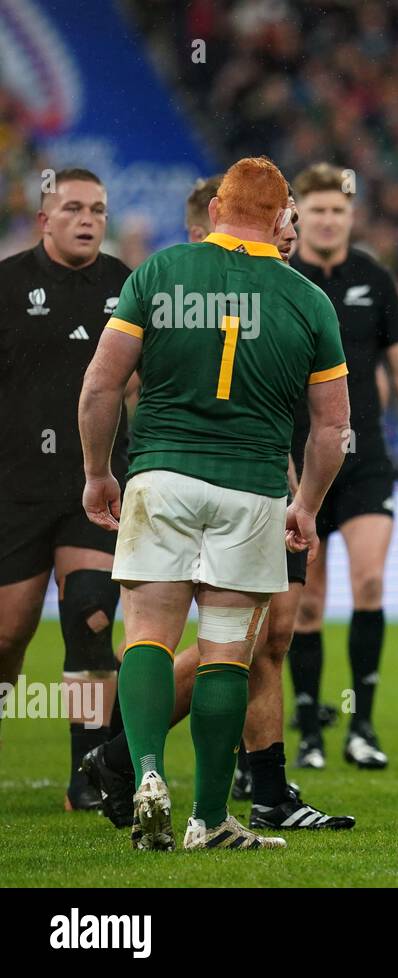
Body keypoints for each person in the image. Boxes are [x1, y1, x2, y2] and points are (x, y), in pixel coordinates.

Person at [78, 155, 350, 850]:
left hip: (162, 475)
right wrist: (308, 505)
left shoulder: (160, 273)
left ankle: (144, 773)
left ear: (218, 206)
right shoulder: (308, 300)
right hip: (252, 488)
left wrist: (95, 473)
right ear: (282, 214)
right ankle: (209, 817)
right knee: (229, 653)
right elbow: (330, 427)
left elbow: (101, 387)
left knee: (147, 635)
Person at [287, 163, 398, 772]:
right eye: (319, 209)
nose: (330, 219)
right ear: (299, 213)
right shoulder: (282, 277)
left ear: (351, 216)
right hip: (298, 464)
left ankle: (360, 724)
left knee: (371, 584)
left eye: (340, 210)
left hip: (366, 460)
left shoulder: (372, 278)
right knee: (306, 603)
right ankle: (307, 730)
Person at [0, 168, 131, 811]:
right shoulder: (5, 285)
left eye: (99, 210)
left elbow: (146, 381)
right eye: (74, 207)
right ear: (43, 220)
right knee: (7, 634)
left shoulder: (126, 286)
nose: (88, 219)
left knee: (90, 617)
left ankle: (88, 771)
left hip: (95, 485)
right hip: (14, 487)